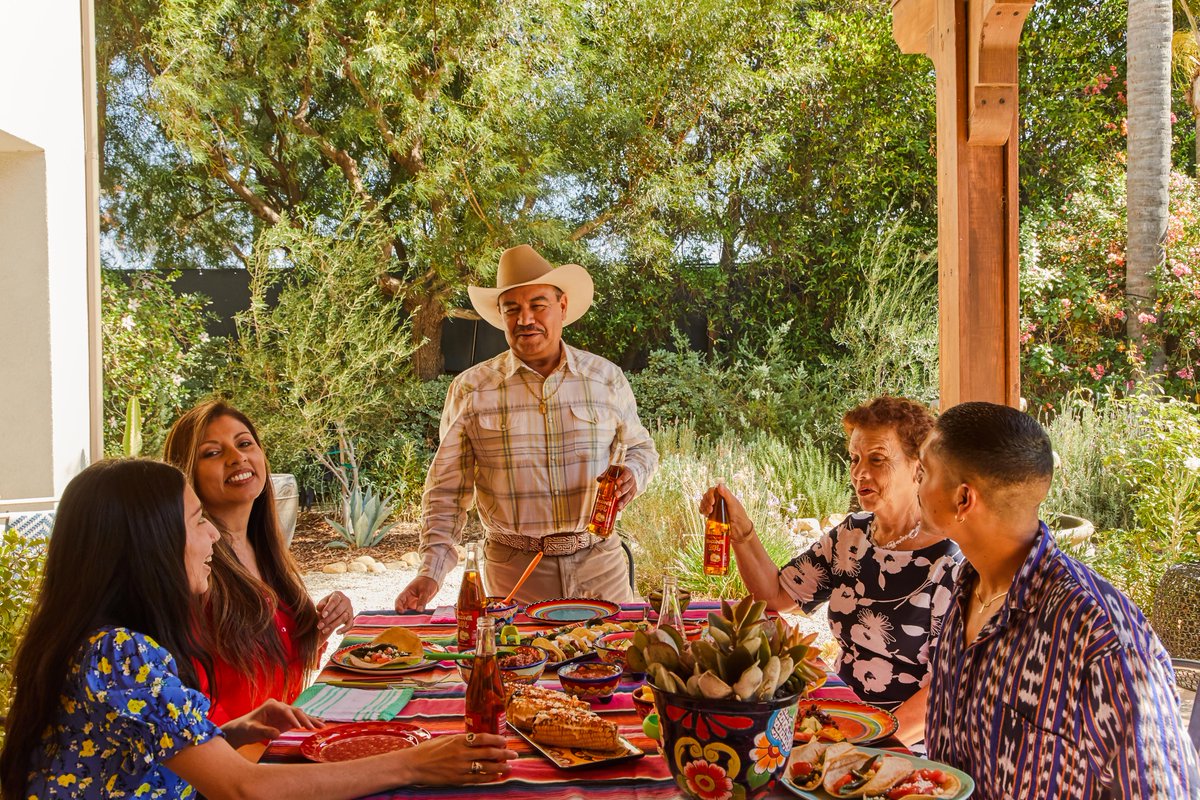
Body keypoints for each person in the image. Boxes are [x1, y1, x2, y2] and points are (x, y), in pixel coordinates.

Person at [0, 459, 514, 800]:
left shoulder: (100, 640)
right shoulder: (117, 651)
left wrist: (231, 731)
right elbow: (242, 787)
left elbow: (141, 751)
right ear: (149, 545)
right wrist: (414, 764)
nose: (211, 537)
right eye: (198, 521)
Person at [918, 401, 1198, 799]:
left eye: (924, 472)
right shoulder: (967, 587)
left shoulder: (1098, 633)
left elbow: (1163, 790)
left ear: (964, 499)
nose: (916, 484)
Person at [395, 244, 658, 609]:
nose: (525, 319)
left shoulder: (605, 378)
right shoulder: (472, 389)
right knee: (520, 663)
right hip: (514, 572)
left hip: (600, 565)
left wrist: (634, 472)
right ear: (501, 316)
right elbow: (446, 489)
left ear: (562, 307)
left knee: (612, 663)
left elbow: (642, 448)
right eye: (512, 309)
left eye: (538, 305)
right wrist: (431, 571)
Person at [700, 396, 959, 745]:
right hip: (834, 720)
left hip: (901, 745)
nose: (860, 472)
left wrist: (862, 745)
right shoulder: (853, 535)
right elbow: (777, 597)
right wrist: (741, 530)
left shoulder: (950, 562)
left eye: (877, 459)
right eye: (855, 459)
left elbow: (945, 695)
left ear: (919, 465)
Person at [164, 401, 354, 724]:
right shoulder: (193, 570)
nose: (237, 457)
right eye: (213, 453)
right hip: (238, 762)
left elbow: (275, 666)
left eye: (244, 443)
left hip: (280, 746)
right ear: (186, 474)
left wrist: (320, 625)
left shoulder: (264, 549)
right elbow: (194, 703)